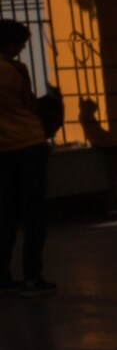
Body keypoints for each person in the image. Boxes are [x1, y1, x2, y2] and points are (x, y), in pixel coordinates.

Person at [0, 18, 55, 293]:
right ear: (9, 44)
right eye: (19, 44)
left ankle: (3, 279)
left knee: (6, 216)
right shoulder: (16, 70)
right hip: (30, 144)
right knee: (33, 216)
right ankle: (33, 276)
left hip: (3, 151)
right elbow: (28, 105)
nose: (21, 49)